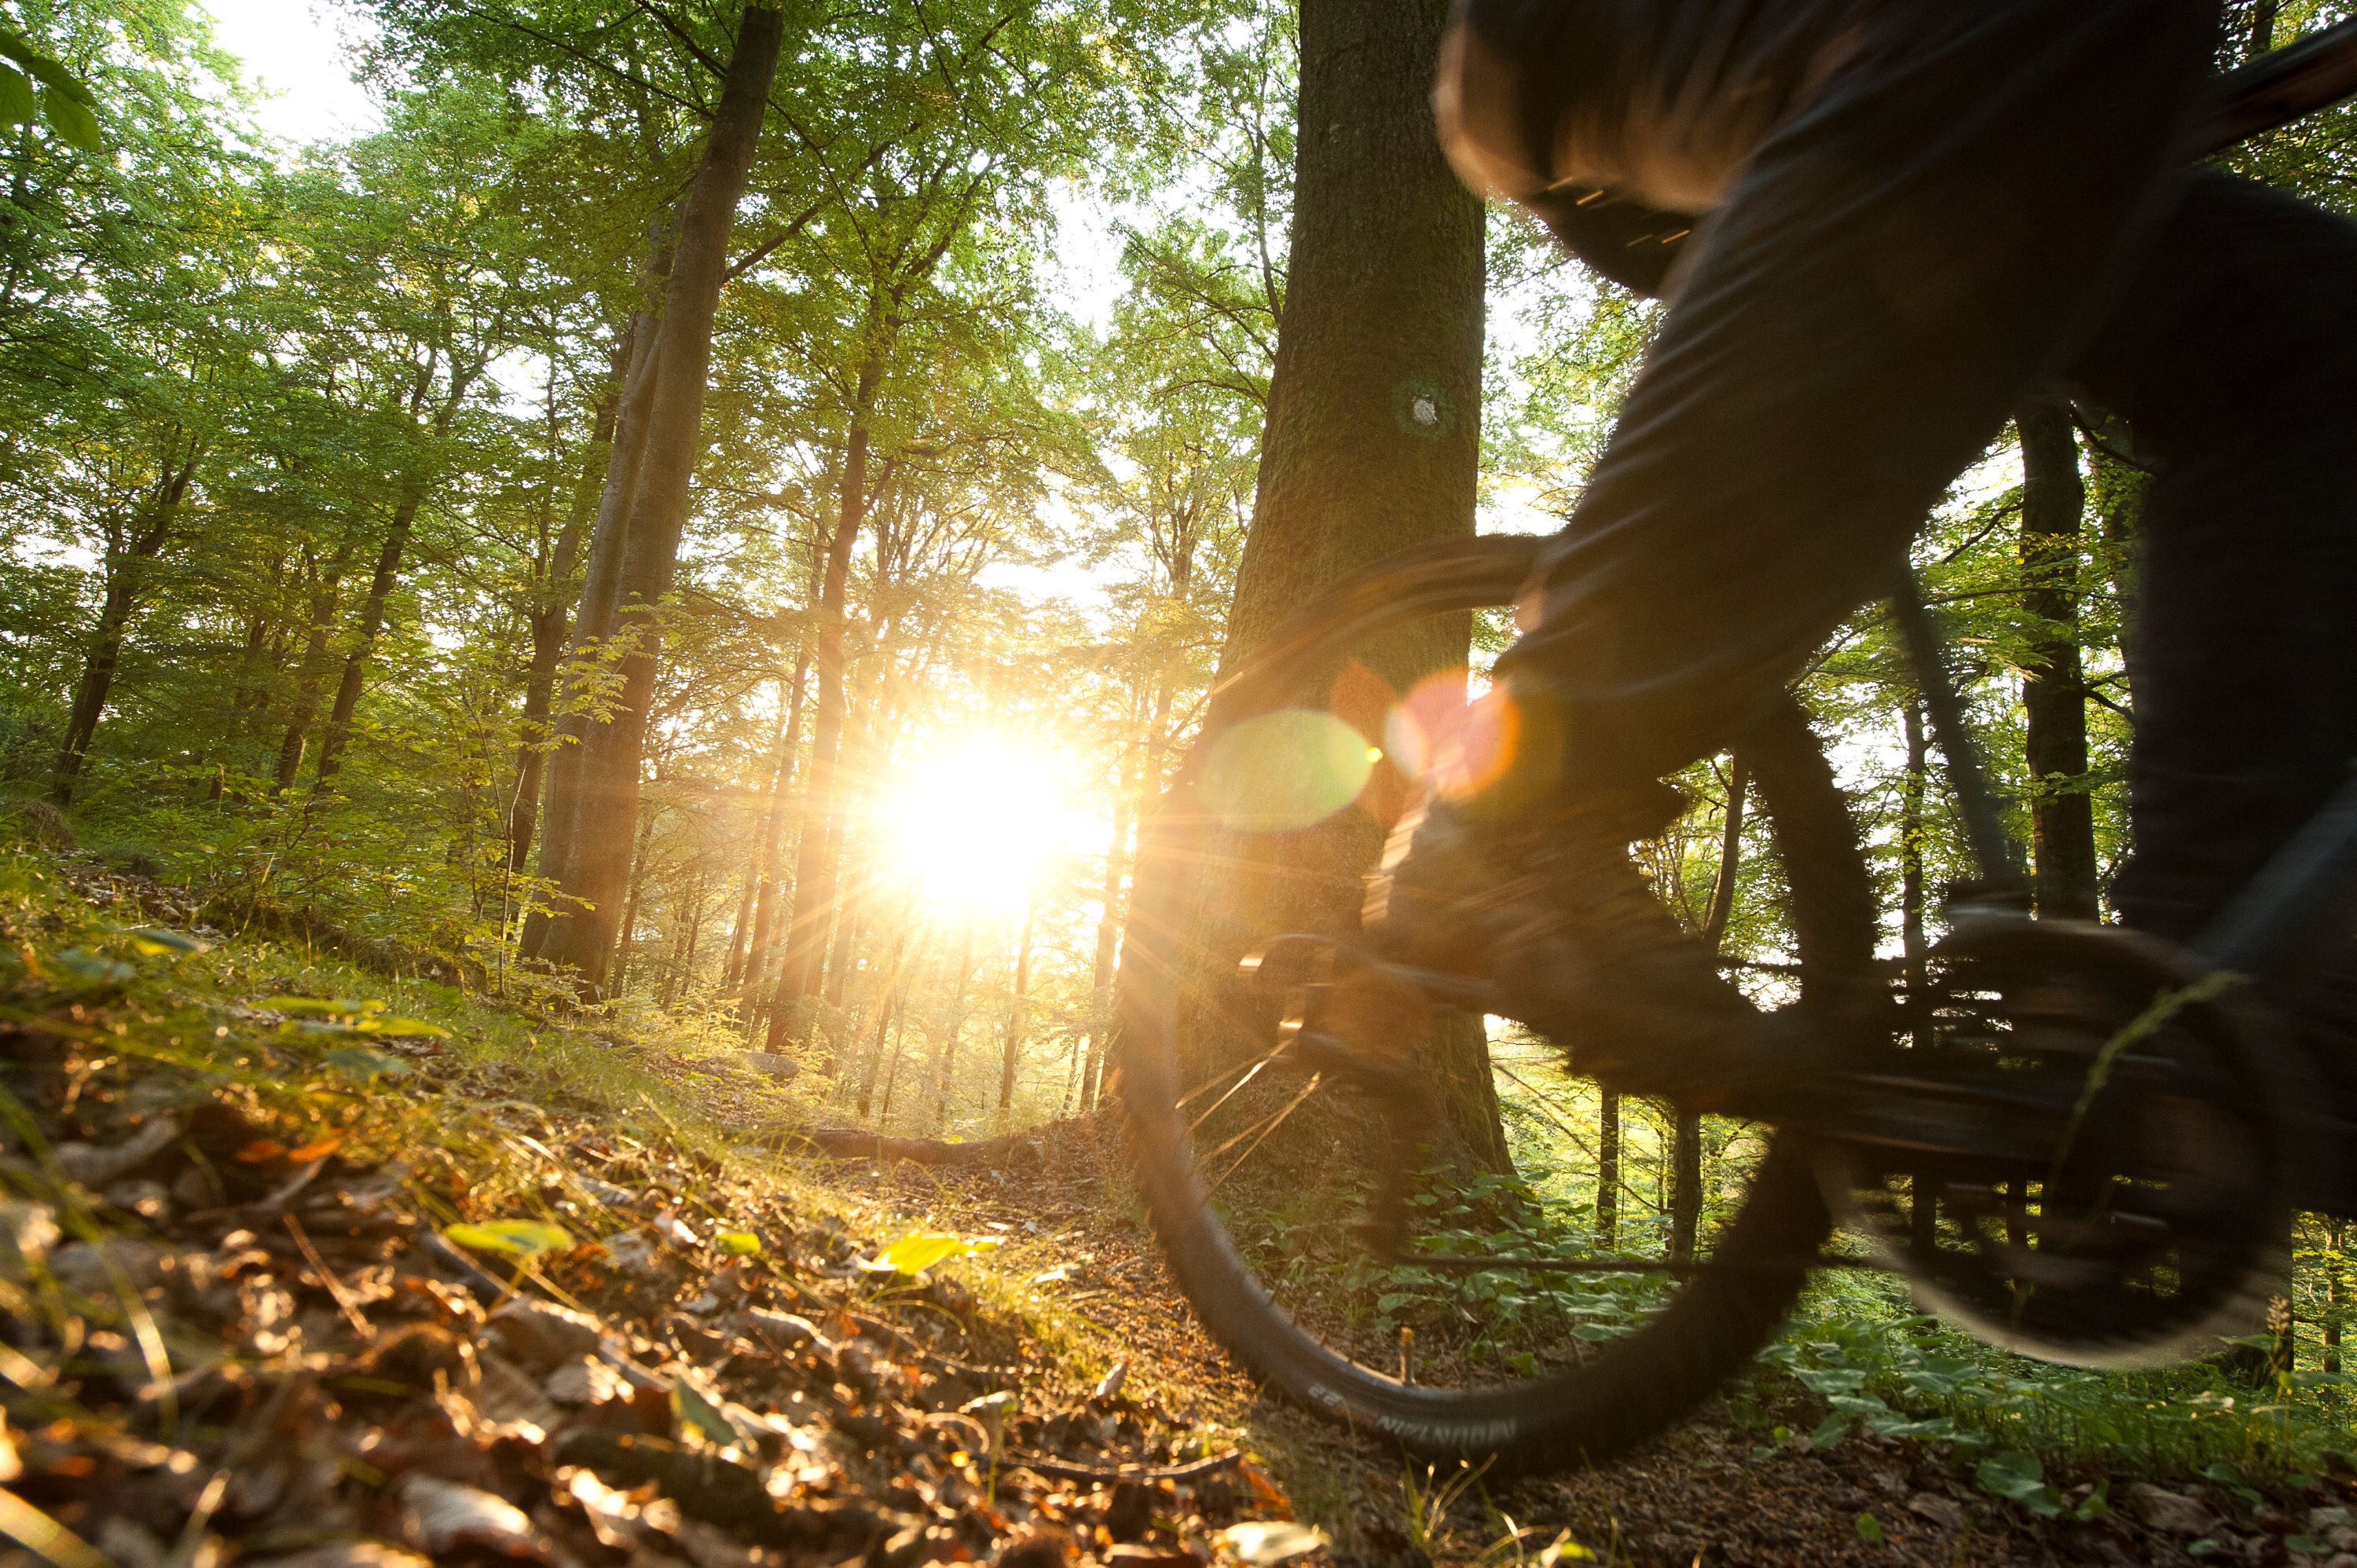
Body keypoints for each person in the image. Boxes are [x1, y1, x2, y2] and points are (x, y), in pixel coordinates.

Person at [1368, 0, 2357, 1106]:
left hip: (2006, 86)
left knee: (2318, 330)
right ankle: (1520, 799)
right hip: (1607, 38)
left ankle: (2206, 992)